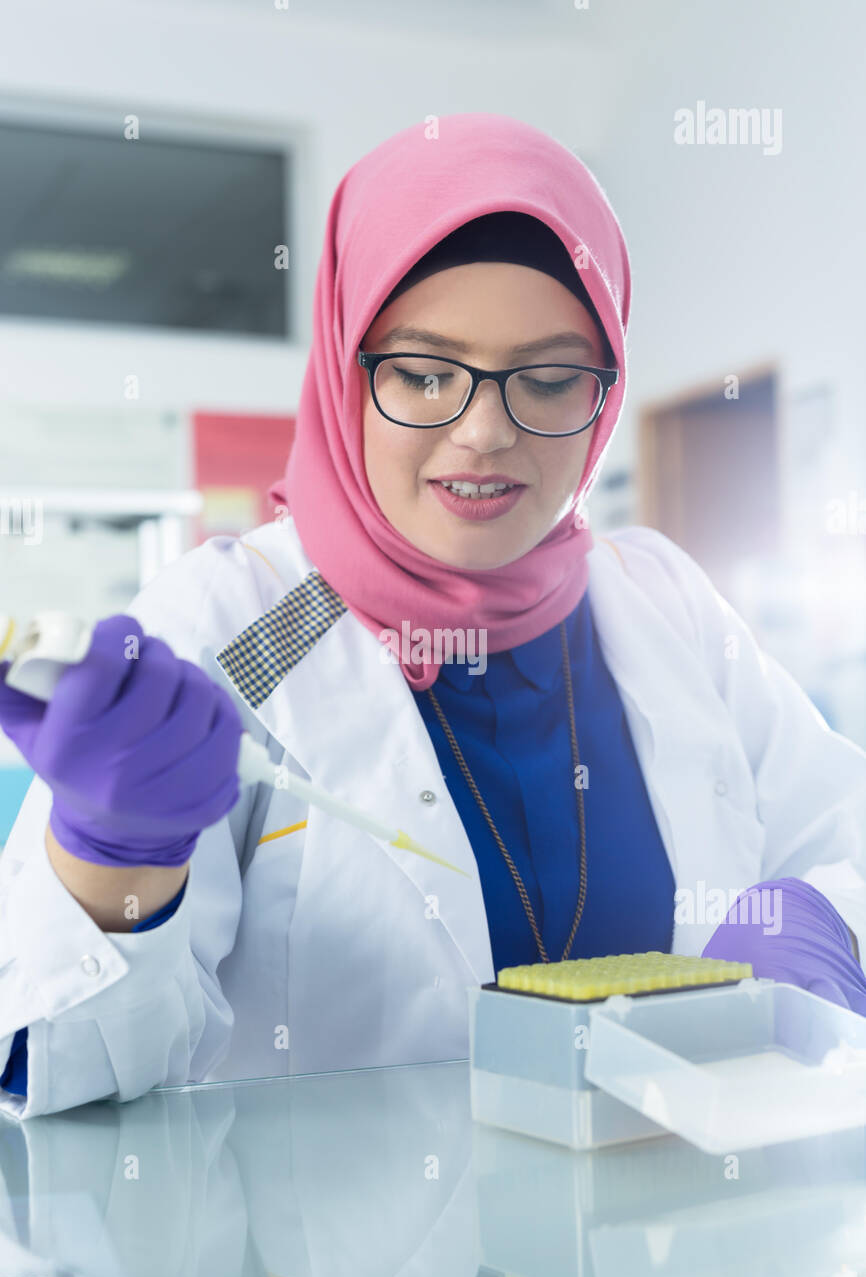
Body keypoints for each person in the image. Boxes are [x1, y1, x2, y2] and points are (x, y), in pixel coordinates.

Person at [1, 112, 865, 1121]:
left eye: (546, 380)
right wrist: (115, 862)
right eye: (421, 375)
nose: (485, 431)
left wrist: (822, 920)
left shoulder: (656, 597)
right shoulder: (256, 622)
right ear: (343, 372)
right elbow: (64, 1072)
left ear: (603, 391)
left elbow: (834, 834)